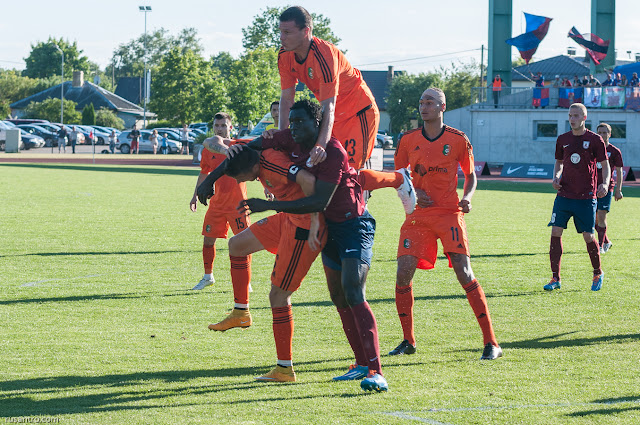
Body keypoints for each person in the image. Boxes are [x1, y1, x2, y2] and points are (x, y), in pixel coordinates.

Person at [225, 99, 391, 392]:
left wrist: (267, 204)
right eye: (292, 122)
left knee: (353, 290)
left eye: (301, 122)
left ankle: (376, 371)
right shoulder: (290, 137)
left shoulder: (333, 152)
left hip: (353, 225)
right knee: (339, 296)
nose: (294, 127)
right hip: (327, 228)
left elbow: (318, 200)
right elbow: (249, 148)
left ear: (319, 124)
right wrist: (227, 154)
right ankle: (361, 364)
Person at [389, 87, 502, 361]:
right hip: (418, 216)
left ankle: (492, 343)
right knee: (403, 273)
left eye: (429, 102)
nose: (423, 106)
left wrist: (468, 197)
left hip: (450, 214)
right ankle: (408, 340)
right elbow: (399, 175)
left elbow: (471, 176)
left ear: (442, 107)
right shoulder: (408, 140)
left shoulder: (458, 139)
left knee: (464, 273)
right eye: (421, 101)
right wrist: (415, 191)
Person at [198, 143, 324, 384]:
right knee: (236, 245)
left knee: (278, 296)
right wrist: (210, 179)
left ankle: (285, 369)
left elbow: (310, 182)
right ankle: (241, 311)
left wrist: (314, 220)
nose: (243, 181)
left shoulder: (275, 164)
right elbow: (228, 154)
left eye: (243, 177)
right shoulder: (252, 153)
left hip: (305, 225)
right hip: (287, 217)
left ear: (254, 167)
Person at [276, 6, 379, 170]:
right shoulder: (284, 55)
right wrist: (282, 138)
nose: (281, 38)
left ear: (305, 31)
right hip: (333, 118)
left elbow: (328, 106)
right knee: (328, 171)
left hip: (358, 113)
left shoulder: (325, 55)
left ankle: (398, 179)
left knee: (352, 172)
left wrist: (321, 145)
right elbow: (287, 99)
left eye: (287, 32)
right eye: (280, 32)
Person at [546, 103, 610, 292]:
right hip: (564, 195)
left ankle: (597, 272)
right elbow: (558, 162)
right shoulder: (562, 139)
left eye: (575, 115)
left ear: (584, 117)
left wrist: (605, 183)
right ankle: (555, 278)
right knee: (555, 232)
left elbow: (604, 165)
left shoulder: (595, 139)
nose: (572, 119)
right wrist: (556, 176)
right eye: (570, 115)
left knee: (588, 236)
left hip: (586, 196)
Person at [190, 112, 250, 291]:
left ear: (231, 127)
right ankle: (208, 276)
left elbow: (258, 167)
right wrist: (194, 195)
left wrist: (266, 187)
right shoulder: (209, 149)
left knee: (244, 243)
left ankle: (246, 283)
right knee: (208, 241)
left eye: (223, 125)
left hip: (238, 205)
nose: (220, 129)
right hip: (216, 205)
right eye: (217, 126)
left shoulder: (239, 147)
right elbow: (204, 173)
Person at [595, 123, 624, 254]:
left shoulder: (615, 151)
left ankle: (600, 246)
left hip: (607, 188)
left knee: (601, 216)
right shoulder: (592, 149)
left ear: (609, 134)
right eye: (599, 132)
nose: (602, 135)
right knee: (592, 219)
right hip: (591, 188)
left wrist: (618, 189)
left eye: (604, 132)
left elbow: (619, 171)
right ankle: (606, 241)